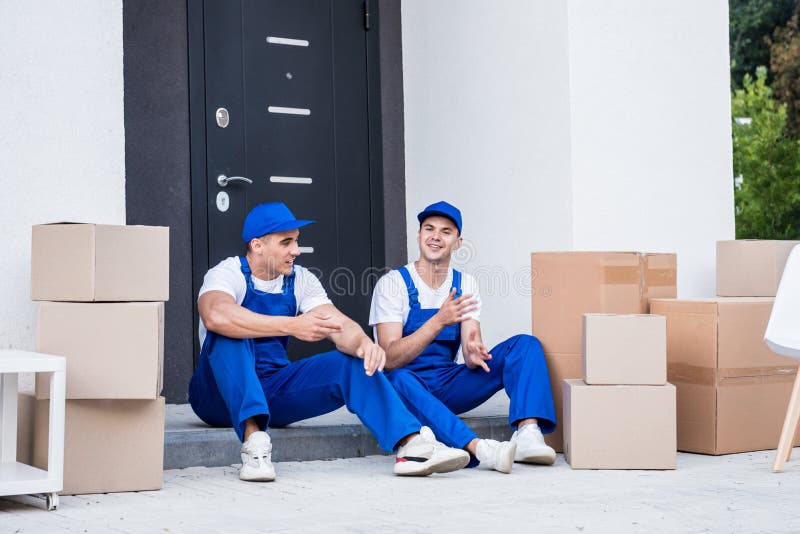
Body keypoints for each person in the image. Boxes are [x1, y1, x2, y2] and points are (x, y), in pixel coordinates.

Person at [188, 202, 470, 481]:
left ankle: (410, 444)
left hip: (272, 390)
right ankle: (255, 445)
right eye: (286, 243)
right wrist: (291, 325)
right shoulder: (227, 273)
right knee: (229, 331)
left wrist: (364, 344)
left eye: (296, 241)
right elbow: (215, 314)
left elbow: (339, 325)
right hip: (216, 398)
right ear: (258, 245)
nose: (296, 251)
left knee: (350, 362)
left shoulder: (301, 280)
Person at [369, 201, 557, 472]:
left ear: (458, 242)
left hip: (447, 382)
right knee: (396, 378)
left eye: (446, 231)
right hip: (406, 388)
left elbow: (470, 351)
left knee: (525, 345)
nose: (435, 236)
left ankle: (528, 434)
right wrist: (438, 321)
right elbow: (389, 358)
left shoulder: (465, 283)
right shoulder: (393, 283)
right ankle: (478, 447)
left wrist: (474, 351)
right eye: (429, 229)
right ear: (419, 235)